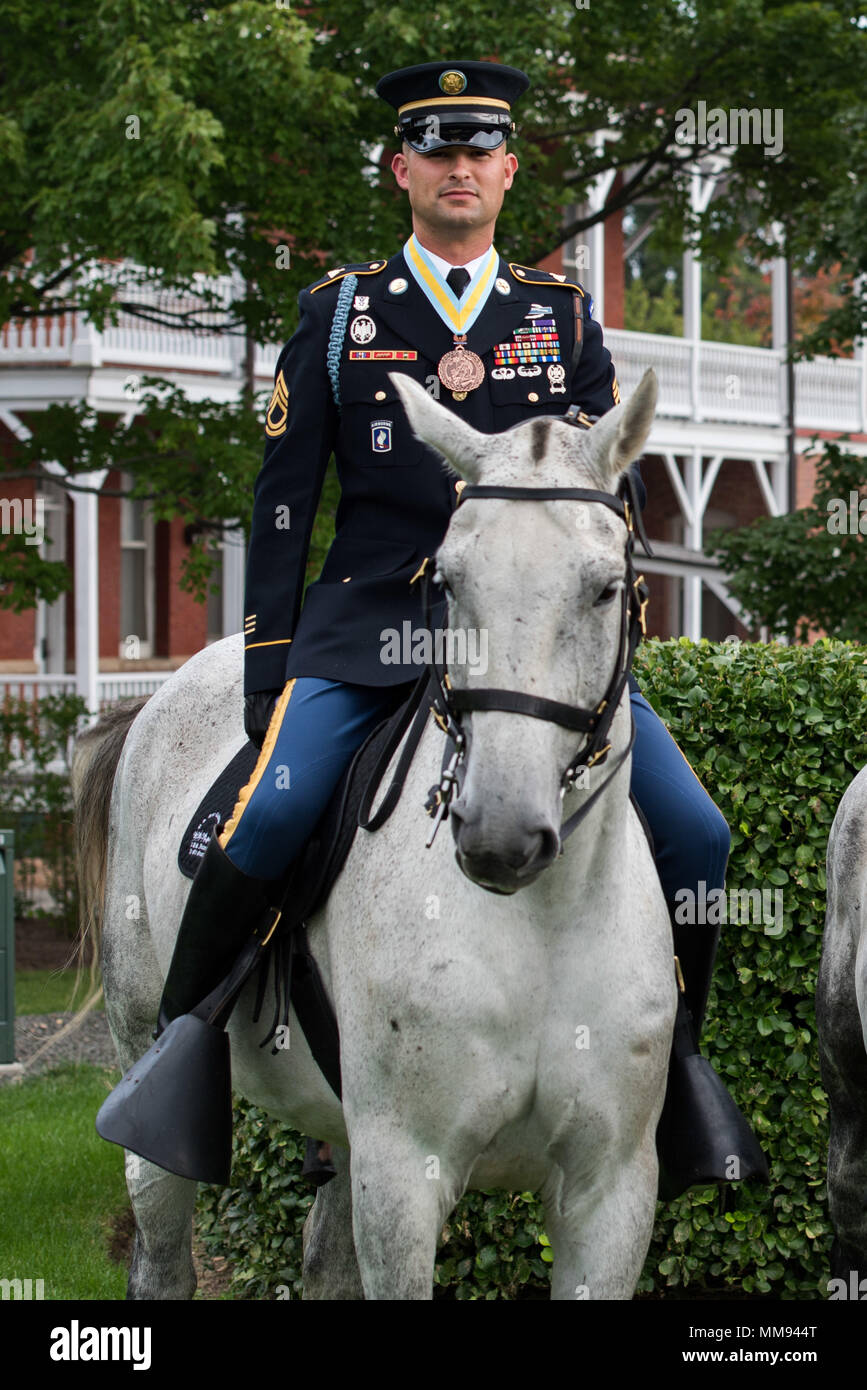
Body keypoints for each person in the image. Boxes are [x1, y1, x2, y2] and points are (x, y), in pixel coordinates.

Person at [142, 60, 766, 1195]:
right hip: (371, 629)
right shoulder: (340, 318)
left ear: (510, 170)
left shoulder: (562, 319)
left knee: (700, 833)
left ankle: (673, 1068)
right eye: (438, 149)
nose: (460, 167)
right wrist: (267, 672)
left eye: (480, 150)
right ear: (403, 170)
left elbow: (602, 511)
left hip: (528, 651)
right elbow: (284, 501)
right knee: (268, 811)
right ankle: (187, 1045)